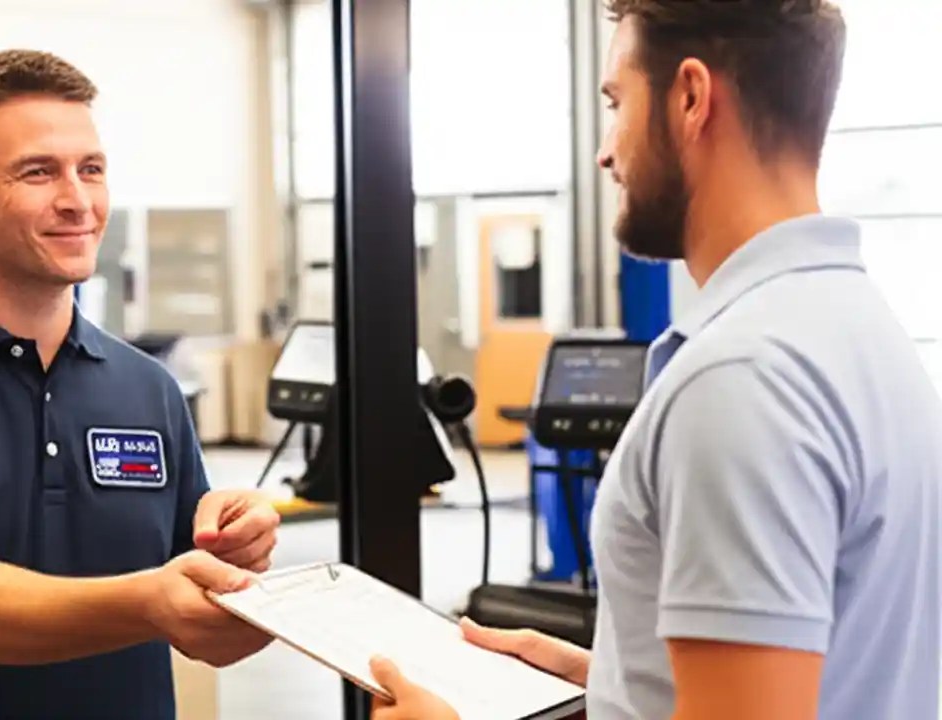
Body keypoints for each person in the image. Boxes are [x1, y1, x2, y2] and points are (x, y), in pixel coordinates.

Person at [368, 2, 942, 719]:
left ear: (691, 98)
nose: (606, 151)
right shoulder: (859, 332)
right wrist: (611, 680)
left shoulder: (742, 380)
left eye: (617, 103)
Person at [0, 49, 280, 720]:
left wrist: (242, 546)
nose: (77, 201)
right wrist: (150, 600)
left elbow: (207, 628)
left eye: (90, 170)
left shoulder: (149, 390)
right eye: (38, 172)